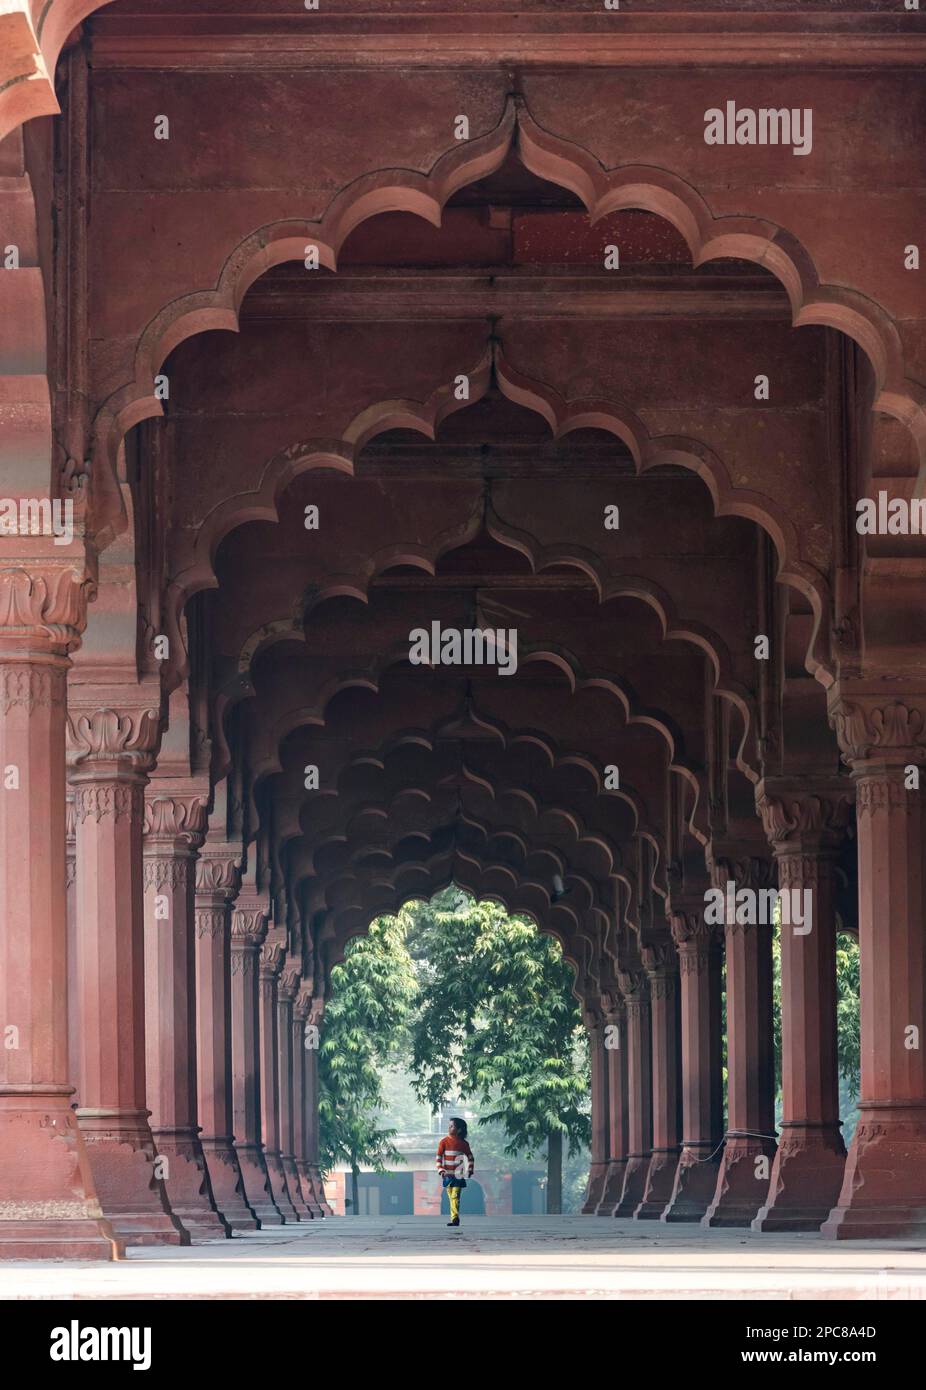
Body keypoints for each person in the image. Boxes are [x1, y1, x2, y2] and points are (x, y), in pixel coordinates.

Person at [436, 1116, 474, 1228]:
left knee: (455, 1196)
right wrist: (440, 1169)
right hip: (447, 1174)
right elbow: (438, 1157)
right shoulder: (443, 1142)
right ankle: (454, 1217)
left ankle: (455, 1218)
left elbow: (470, 1157)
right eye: (449, 1126)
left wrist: (470, 1169)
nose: (449, 1128)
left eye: (452, 1126)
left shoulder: (464, 1144)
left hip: (458, 1174)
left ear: (459, 1129)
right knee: (450, 1196)